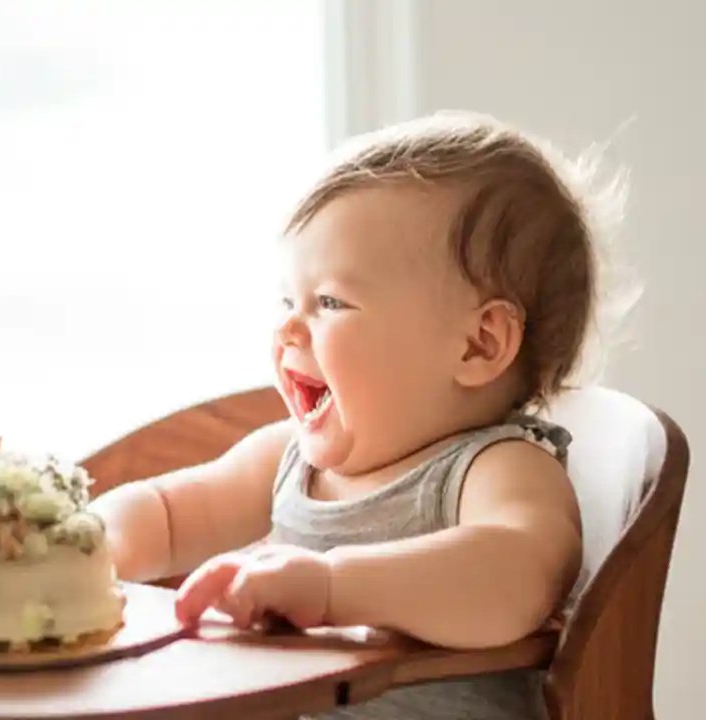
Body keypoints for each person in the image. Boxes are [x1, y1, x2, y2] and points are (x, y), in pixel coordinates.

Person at [92, 110, 631, 718]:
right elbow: (167, 516)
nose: (289, 328)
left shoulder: (495, 468)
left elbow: (517, 579)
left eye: (328, 301)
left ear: (478, 344)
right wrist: (89, 541)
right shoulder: (287, 458)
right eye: (286, 300)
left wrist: (331, 587)